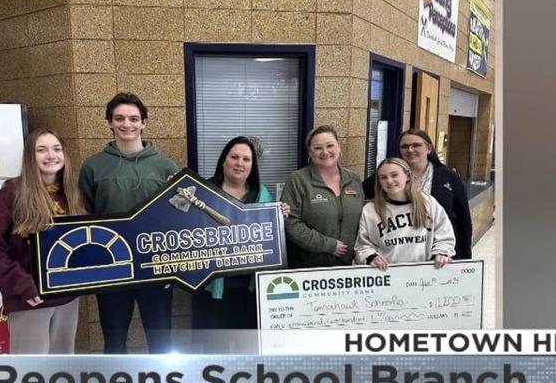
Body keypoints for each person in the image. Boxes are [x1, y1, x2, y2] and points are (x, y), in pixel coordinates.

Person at [78, 92, 178, 354]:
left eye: (134, 119)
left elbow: (179, 216)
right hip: (111, 267)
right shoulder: (93, 167)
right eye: (119, 118)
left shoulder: (166, 167)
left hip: (155, 266)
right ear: (109, 122)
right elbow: (84, 214)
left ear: (144, 122)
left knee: (161, 341)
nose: (127, 124)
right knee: (113, 340)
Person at [0, 128, 85, 354]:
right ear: (30, 157)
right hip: (30, 300)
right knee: (31, 375)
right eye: (41, 150)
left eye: (56, 149)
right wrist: (23, 286)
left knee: (62, 368)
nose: (51, 155)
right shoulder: (10, 196)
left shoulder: (73, 194)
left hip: (67, 299)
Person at [192, 136, 291, 331]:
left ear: (252, 165)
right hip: (211, 287)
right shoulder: (203, 191)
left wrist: (279, 217)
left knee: (246, 346)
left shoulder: (261, 193)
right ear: (223, 161)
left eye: (246, 159)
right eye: (234, 157)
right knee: (214, 347)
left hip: (249, 288)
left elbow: (269, 238)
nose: (240, 163)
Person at [362, 128, 473, 259]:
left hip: (441, 257)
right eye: (404, 146)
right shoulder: (385, 178)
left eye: (416, 145)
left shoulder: (448, 177)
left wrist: (465, 258)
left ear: (429, 149)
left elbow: (463, 218)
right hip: (397, 256)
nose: (410, 150)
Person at [280, 125, 365, 268]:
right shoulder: (297, 180)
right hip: (310, 268)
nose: (325, 152)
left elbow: (364, 221)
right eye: (317, 148)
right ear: (310, 153)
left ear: (339, 147)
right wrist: (328, 245)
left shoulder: (354, 180)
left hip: (350, 267)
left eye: (330, 145)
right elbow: (290, 222)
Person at [355, 157, 456, 271]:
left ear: (407, 176)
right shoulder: (370, 210)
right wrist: (371, 257)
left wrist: (442, 252)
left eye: (394, 175)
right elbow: (362, 246)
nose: (389, 181)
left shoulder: (427, 202)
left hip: (425, 274)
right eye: (383, 177)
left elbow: (445, 235)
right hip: (387, 275)